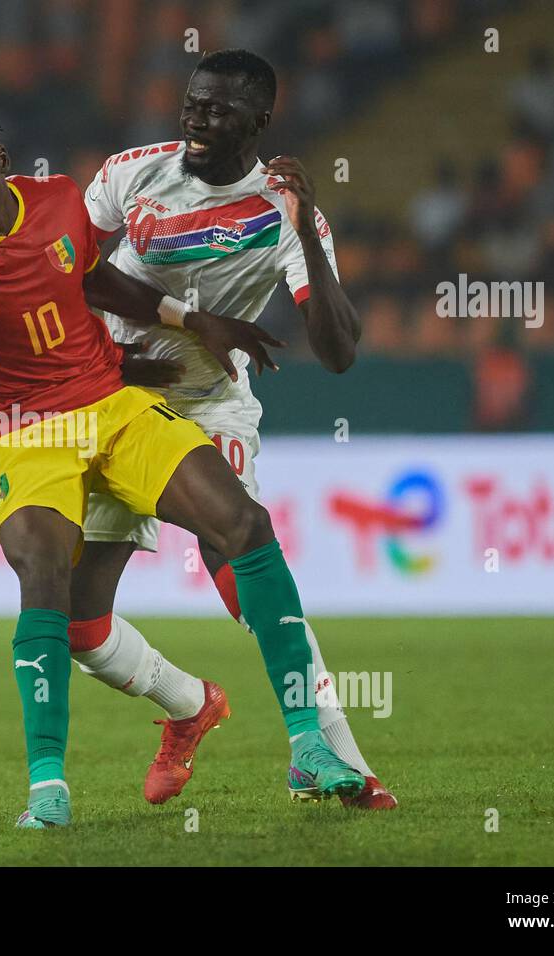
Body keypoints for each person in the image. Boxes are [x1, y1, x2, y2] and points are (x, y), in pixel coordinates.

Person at [0, 101, 365, 828]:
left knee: (242, 523)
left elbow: (94, 280)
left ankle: (310, 742)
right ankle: (49, 790)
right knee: (47, 581)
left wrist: (190, 322)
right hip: (22, 434)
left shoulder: (60, 200)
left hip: (113, 407)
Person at [72, 49, 397, 810]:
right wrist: (181, 322)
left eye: (218, 109)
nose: (196, 117)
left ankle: (322, 751)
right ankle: (190, 707)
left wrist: (307, 234)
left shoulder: (282, 213)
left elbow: (340, 352)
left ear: (260, 122)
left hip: (208, 402)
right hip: (114, 394)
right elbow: (70, 269)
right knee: (79, 627)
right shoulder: (134, 173)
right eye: (192, 102)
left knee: (241, 550)